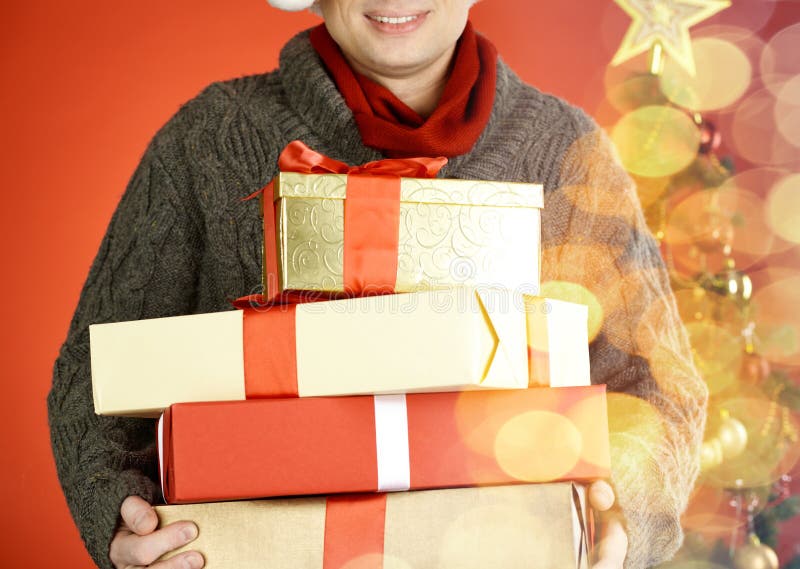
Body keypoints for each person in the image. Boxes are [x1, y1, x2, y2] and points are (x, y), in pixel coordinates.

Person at [47, 1, 708, 568]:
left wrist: (621, 513)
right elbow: (93, 374)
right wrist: (122, 518)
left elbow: (659, 387)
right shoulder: (209, 140)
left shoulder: (568, 152)